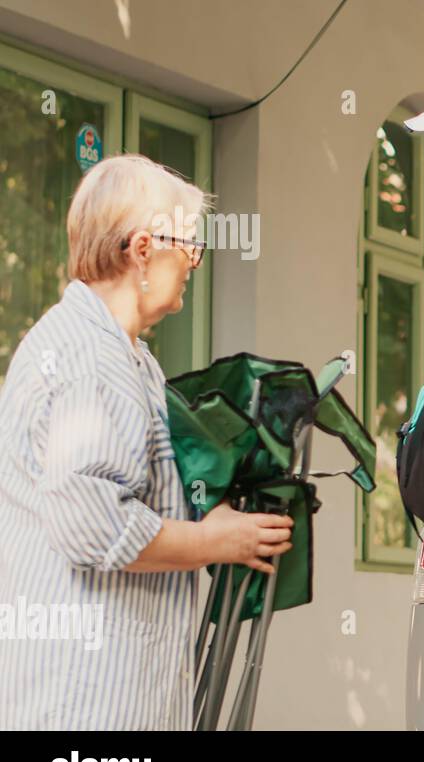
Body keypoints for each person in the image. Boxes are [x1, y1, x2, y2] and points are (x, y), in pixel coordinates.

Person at [0, 155, 294, 730]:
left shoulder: (128, 356)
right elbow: (94, 524)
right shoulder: (88, 359)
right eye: (187, 247)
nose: (192, 264)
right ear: (141, 250)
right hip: (81, 708)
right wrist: (215, 542)